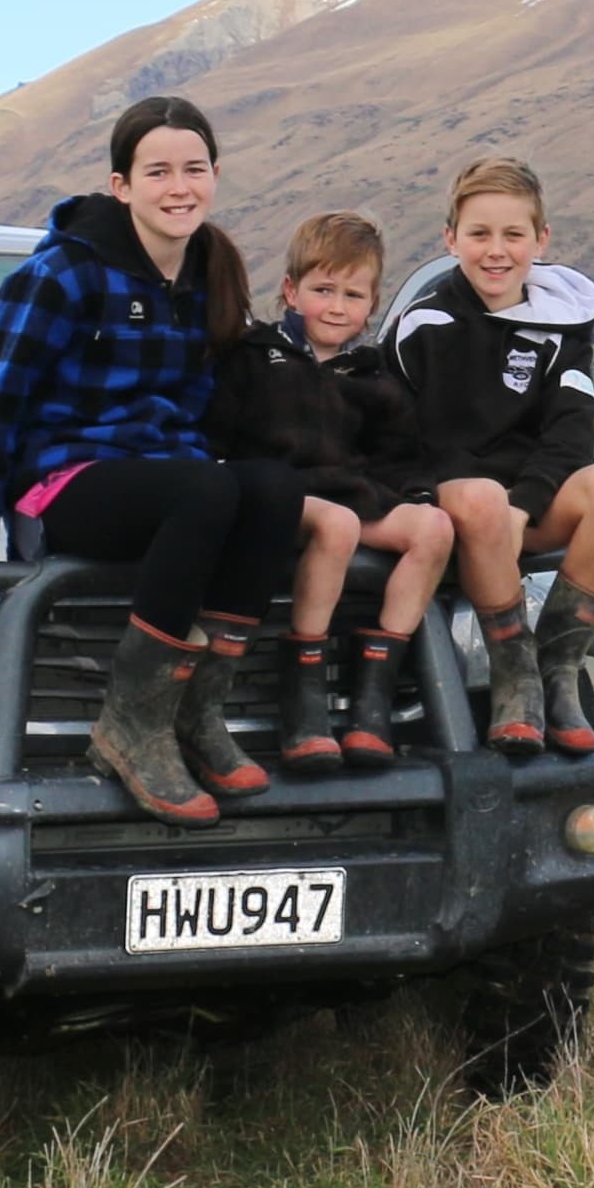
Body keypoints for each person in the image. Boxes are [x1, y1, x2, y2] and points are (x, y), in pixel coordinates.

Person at [0, 96, 306, 825]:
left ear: (216, 176)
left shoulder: (208, 272)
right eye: (157, 171)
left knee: (271, 488)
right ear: (121, 186)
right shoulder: (61, 276)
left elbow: (215, 407)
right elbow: (0, 398)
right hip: (63, 485)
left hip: (167, 477)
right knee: (204, 490)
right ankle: (129, 726)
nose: (179, 187)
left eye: (193, 169)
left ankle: (198, 713)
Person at [387, 155, 594, 757]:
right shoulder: (420, 326)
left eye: (513, 235)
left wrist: (524, 507)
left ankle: (558, 674)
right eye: (478, 234)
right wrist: (489, 507)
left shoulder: (564, 324)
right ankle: (514, 673)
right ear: (451, 239)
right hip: (457, 508)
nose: (495, 251)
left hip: (527, 507)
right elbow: (410, 441)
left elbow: (571, 436)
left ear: (541, 239)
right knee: (478, 496)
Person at [204, 212, 456, 771]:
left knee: (433, 528)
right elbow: (216, 434)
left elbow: (400, 458)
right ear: (291, 290)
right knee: (336, 524)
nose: (337, 306)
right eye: (322, 290)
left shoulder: (373, 375)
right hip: (278, 499)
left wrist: (415, 498)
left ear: (372, 304)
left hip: (352, 496)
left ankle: (373, 698)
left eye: (352, 294)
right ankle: (306, 703)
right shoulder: (253, 357)